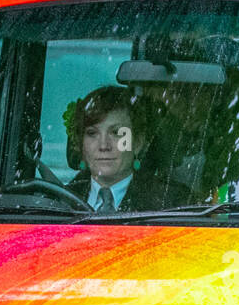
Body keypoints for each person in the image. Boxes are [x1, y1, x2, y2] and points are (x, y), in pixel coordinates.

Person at [62, 85, 191, 212]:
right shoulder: (59, 201)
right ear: (81, 144)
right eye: (92, 133)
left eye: (117, 133)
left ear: (137, 143)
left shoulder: (174, 203)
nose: (103, 146)